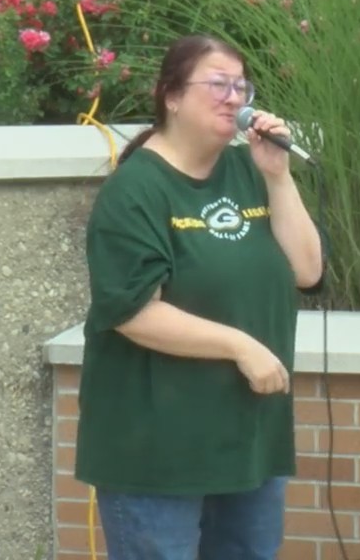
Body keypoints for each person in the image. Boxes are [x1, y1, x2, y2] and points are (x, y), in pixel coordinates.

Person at [74, 34, 324, 560]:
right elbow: (133, 312)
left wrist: (278, 180)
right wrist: (240, 345)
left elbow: (306, 269)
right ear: (171, 95)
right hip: (159, 451)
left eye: (241, 85)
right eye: (217, 84)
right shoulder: (135, 190)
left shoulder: (250, 171)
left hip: (247, 441)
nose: (235, 98)